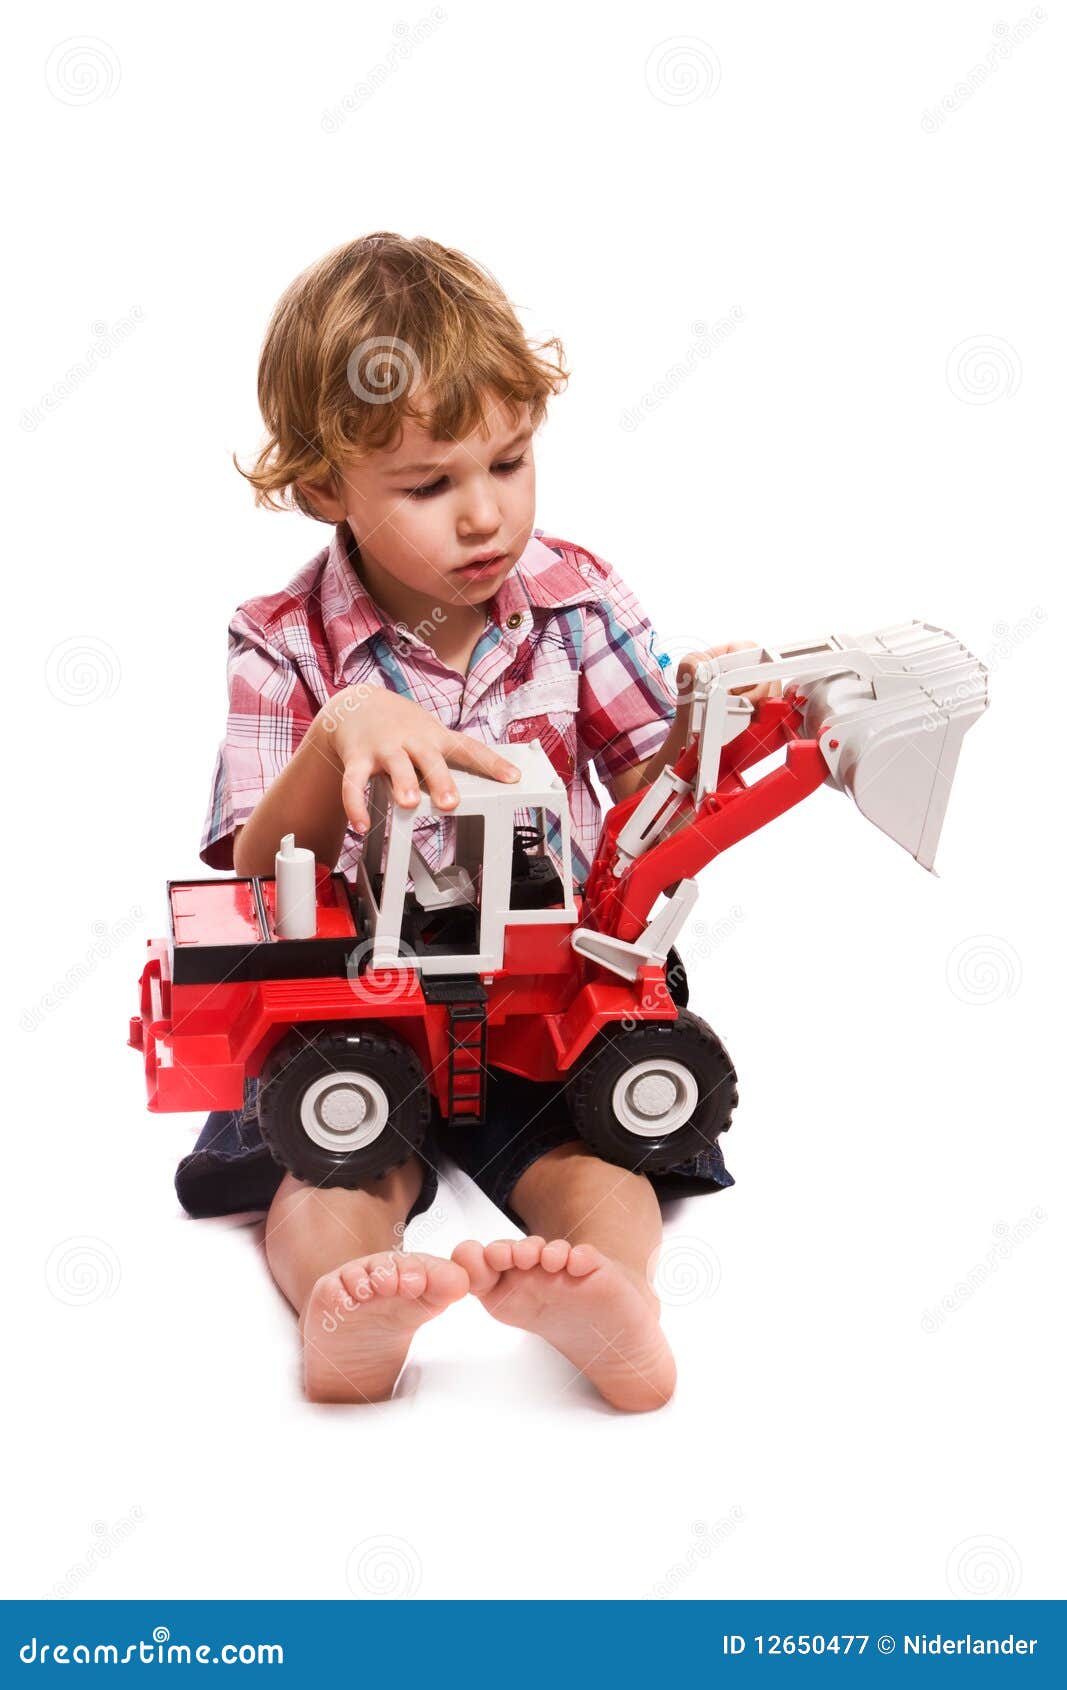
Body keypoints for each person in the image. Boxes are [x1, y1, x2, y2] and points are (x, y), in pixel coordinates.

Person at [176, 232, 774, 1411]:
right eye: (428, 485)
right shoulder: (280, 642)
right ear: (324, 488)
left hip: (534, 981)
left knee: (596, 1155)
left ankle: (611, 1300)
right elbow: (256, 866)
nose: (485, 515)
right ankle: (347, 1305)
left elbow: (655, 790)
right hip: (360, 996)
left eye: (508, 461)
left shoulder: (575, 601)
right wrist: (339, 729)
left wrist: (714, 728)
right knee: (329, 1171)